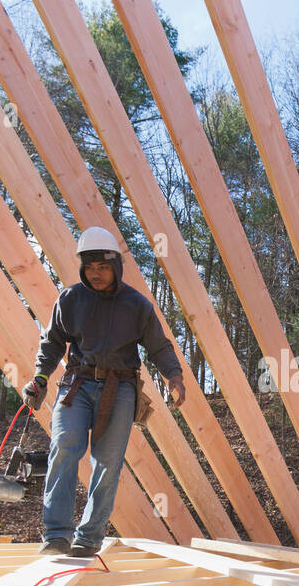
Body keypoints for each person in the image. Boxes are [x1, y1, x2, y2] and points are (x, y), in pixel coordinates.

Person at [23, 226, 185, 557]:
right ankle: (56, 535)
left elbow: (159, 346)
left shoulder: (136, 305)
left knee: (108, 461)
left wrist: (174, 375)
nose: (95, 274)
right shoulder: (70, 299)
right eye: (89, 268)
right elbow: (52, 343)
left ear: (116, 267)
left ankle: (88, 538)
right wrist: (40, 378)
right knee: (65, 445)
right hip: (77, 386)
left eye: (103, 267)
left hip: (120, 387)